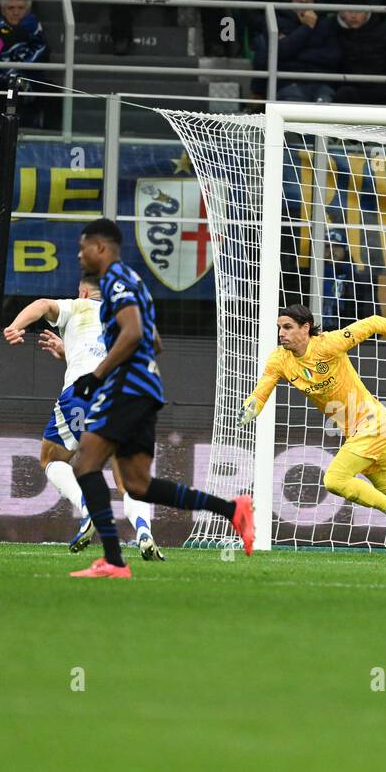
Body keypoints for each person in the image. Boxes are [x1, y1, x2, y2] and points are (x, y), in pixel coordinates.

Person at [69, 218, 255, 578]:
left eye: (84, 247)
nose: (79, 256)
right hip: (147, 389)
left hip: (126, 388)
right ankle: (232, 509)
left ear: (101, 248)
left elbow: (136, 333)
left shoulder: (114, 280)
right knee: (138, 484)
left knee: (85, 465)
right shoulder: (133, 281)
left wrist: (97, 375)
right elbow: (155, 339)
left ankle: (113, 560)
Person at [241, 303, 386, 557]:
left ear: (305, 328)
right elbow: (262, 389)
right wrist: (251, 407)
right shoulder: (280, 360)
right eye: (279, 328)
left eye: (288, 327)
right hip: (359, 430)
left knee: (335, 480)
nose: (281, 333)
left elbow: (374, 322)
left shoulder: (328, 345)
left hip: (372, 423)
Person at [3, 275, 167, 561]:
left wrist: (16, 327)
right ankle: (143, 533)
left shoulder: (77, 306)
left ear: (83, 291)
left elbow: (42, 304)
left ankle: (89, 509)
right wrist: (69, 353)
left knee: (52, 459)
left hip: (84, 393)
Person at [252, 0, 341, 103]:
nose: (303, 1)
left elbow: (333, 56)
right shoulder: (276, 23)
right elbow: (280, 53)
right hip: (289, 83)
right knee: (294, 106)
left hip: (321, 83)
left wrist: (295, 52)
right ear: (290, 0)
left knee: (325, 109)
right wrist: (307, 27)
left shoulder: (327, 24)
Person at [0, 0, 47, 129]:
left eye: (20, 8)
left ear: (27, 9)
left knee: (52, 94)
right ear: (3, 9)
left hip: (28, 75)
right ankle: (2, 135)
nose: (16, 12)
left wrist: (20, 69)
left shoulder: (35, 26)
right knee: (10, 88)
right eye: (11, 8)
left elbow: (41, 52)